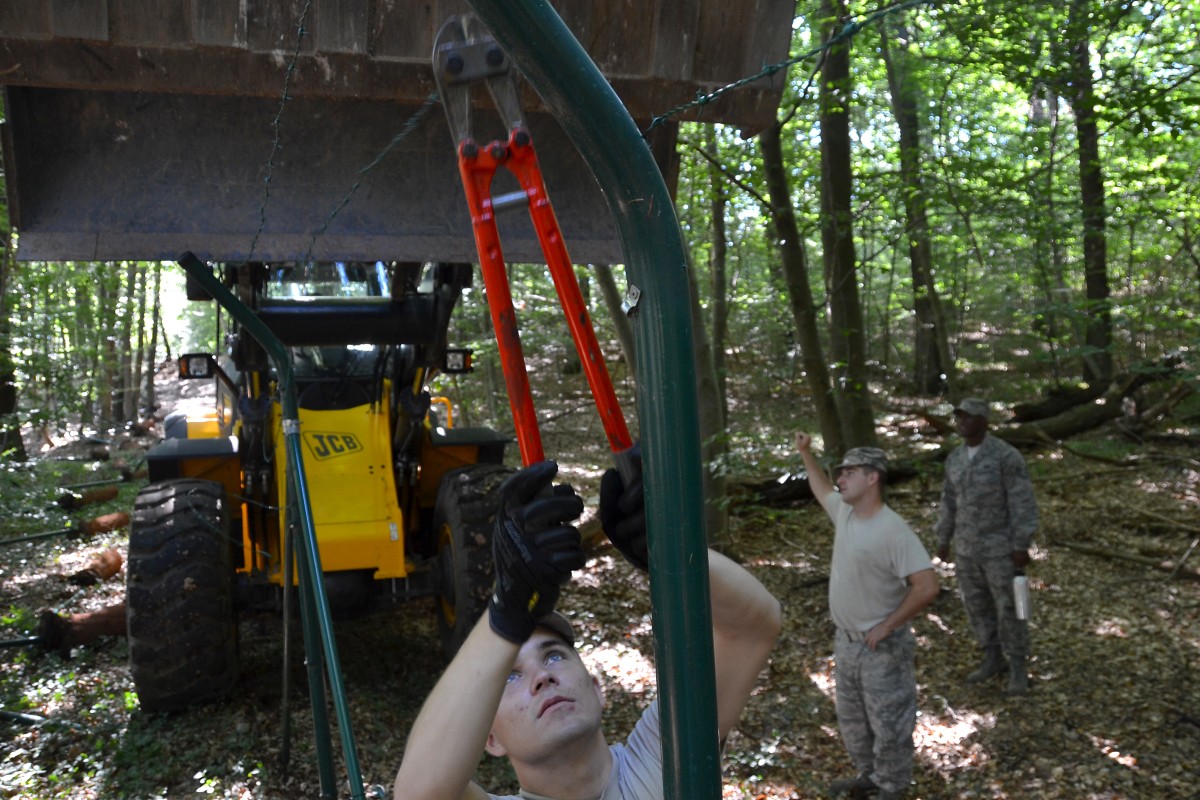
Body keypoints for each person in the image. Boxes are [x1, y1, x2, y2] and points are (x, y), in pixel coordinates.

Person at [393, 455, 782, 800]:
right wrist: (506, 611)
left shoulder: (662, 760)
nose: (542, 677)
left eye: (555, 655)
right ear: (488, 738)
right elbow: (419, 793)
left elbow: (750, 628)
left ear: (597, 690)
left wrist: (678, 556)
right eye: (510, 677)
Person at [795, 434, 939, 800]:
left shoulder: (894, 530)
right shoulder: (845, 512)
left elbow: (926, 585)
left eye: (851, 472)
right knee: (854, 722)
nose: (841, 479)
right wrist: (805, 453)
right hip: (846, 643)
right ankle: (872, 777)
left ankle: (892, 788)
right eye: (841, 472)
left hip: (882, 648)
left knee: (889, 724)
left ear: (873, 478)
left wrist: (888, 625)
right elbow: (820, 487)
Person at [935, 397, 1039, 695]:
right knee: (976, 606)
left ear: (984, 421)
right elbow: (949, 502)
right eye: (959, 417)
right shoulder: (954, 459)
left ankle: (1018, 666)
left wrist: (1021, 543)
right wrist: (944, 538)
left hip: (1001, 549)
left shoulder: (1005, 457)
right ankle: (992, 657)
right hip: (966, 549)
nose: (962, 422)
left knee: (1011, 609)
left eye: (969, 417)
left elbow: (1022, 502)